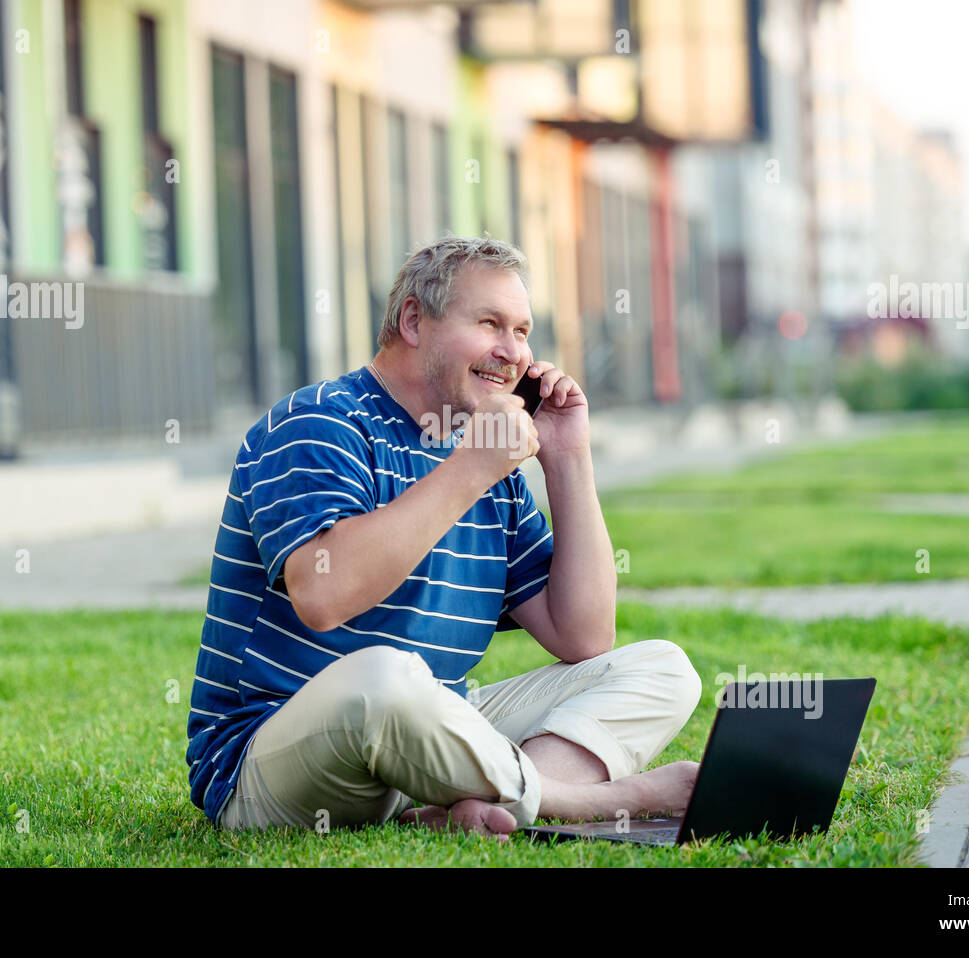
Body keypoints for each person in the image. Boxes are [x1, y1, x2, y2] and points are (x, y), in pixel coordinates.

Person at [186, 235, 702, 841]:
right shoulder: (317, 423)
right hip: (274, 761)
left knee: (662, 668)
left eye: (522, 331)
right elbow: (323, 596)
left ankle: (479, 803)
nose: (512, 353)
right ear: (413, 320)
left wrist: (567, 458)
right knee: (383, 677)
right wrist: (470, 468)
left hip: (423, 739)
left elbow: (584, 635)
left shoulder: (488, 457)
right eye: (489, 323)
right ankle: (577, 800)